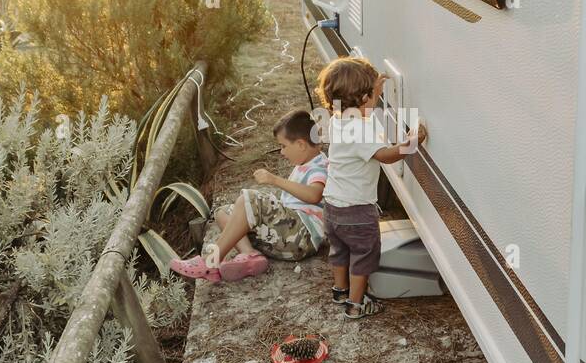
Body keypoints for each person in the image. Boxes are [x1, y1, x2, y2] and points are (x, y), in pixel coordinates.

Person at [316, 56, 426, 319]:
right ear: (363, 98)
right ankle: (356, 305)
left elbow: (361, 107)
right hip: (356, 211)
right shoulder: (360, 131)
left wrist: (373, 88)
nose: (376, 99)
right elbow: (386, 155)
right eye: (374, 96)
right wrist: (413, 141)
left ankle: (340, 290)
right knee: (363, 256)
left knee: (339, 250)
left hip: (332, 207)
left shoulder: (337, 119)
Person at [169, 110, 328, 283]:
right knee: (223, 212)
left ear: (301, 145)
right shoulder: (305, 162)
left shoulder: (319, 167)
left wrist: (274, 180)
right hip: (286, 235)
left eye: (283, 146)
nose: (281, 152)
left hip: (303, 238)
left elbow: (314, 195)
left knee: (250, 199)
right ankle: (250, 255)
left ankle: (210, 260)